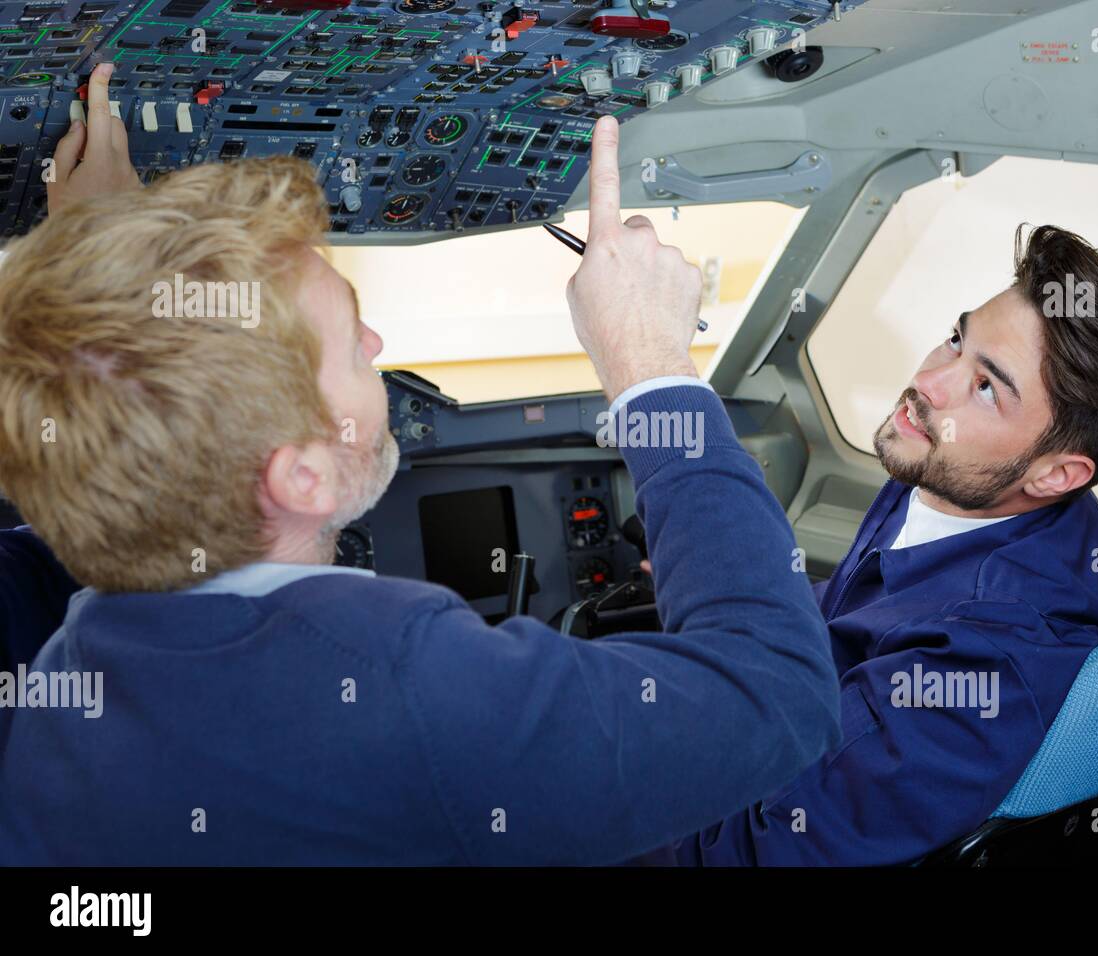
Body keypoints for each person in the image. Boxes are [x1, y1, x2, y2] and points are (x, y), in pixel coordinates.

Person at [0, 63, 840, 864]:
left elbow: (96, 434)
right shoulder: (396, 682)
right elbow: (779, 695)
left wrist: (101, 264)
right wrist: (652, 369)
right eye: (352, 344)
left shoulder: (64, 672)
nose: (376, 343)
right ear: (303, 477)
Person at [670, 222, 1098, 865]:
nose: (930, 384)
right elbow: (851, 610)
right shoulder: (958, 475)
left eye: (986, 388)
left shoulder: (984, 661)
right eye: (956, 340)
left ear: (1058, 473)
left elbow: (754, 855)